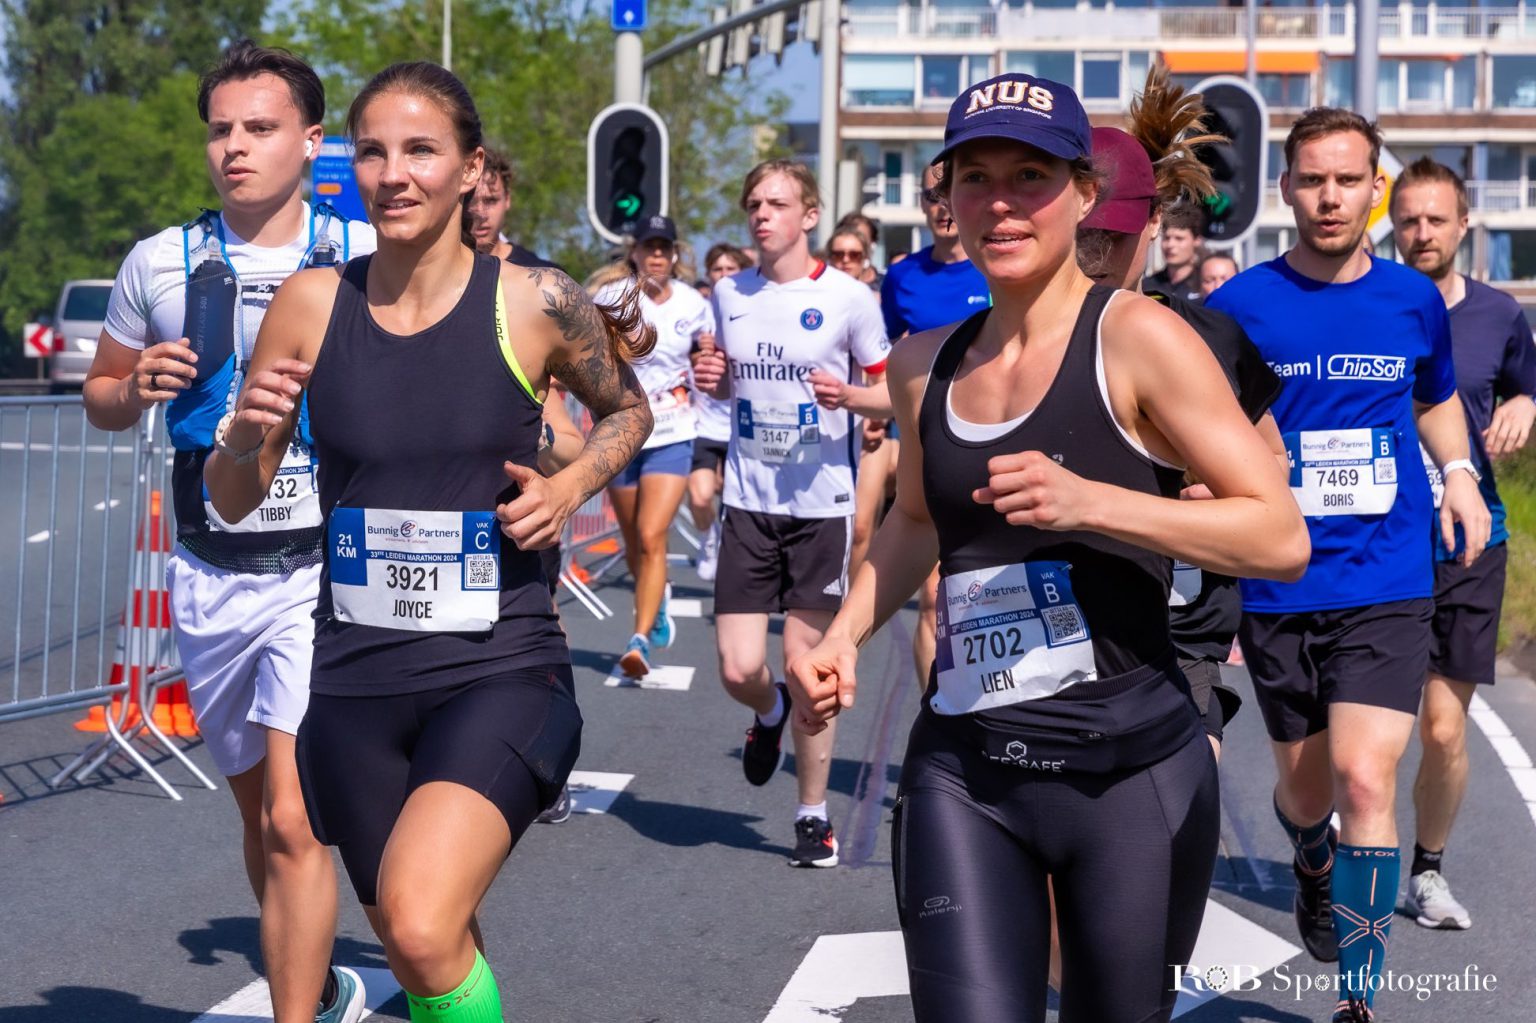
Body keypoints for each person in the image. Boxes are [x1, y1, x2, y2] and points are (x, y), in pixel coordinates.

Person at [788, 72, 1308, 1023]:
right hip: (967, 766)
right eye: (974, 176)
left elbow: (1277, 534)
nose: (1000, 201)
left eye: (1029, 176)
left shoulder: (1140, 339)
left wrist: (1097, 503)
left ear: (1079, 193)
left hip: (1128, 776)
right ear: (944, 198)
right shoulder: (922, 364)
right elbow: (914, 519)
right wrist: (844, 633)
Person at [204, 61, 653, 1021]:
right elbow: (234, 498)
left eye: (421, 151)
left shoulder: (532, 300)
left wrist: (570, 484)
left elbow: (630, 411)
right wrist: (239, 441)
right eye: (372, 151)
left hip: (499, 666)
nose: (394, 173)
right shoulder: (312, 304)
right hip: (357, 683)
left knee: (410, 919)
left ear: (468, 169)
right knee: (432, 950)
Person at [81, 41, 375, 1023]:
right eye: (221, 130)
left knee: (297, 819)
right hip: (210, 568)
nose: (235, 149)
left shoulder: (363, 255)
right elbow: (101, 398)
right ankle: (315, 972)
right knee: (259, 821)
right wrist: (135, 385)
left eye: (260, 127)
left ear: (312, 140)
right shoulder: (159, 261)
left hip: (322, 573)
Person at [1207, 109, 1490, 1023]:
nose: (1330, 197)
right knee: (1308, 791)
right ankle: (1310, 853)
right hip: (1279, 577)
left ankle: (1358, 998)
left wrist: (1459, 476)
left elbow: (1435, 399)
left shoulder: (1411, 300)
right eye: (1312, 179)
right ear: (1285, 188)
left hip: (1388, 578)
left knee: (1369, 779)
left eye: (1347, 180)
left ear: (1377, 188)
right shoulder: (1240, 305)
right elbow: (1197, 423)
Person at [692, 159, 890, 868]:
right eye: (753, 203)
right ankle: (767, 711)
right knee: (737, 666)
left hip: (820, 508)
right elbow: (720, 388)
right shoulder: (727, 293)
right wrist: (711, 380)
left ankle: (812, 812)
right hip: (749, 501)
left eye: (776, 203)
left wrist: (853, 401)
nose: (761, 214)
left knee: (809, 667)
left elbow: (888, 390)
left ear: (809, 215)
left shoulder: (848, 299)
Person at [1391, 156, 1536, 931]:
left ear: (1463, 224)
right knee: (1363, 728)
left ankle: (1427, 871)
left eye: (1435, 219)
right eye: (1409, 219)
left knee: (1444, 725)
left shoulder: (1499, 314)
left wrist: (1527, 403)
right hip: (1377, 545)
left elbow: (1527, 380)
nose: (1422, 233)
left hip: (1471, 545)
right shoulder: (1374, 306)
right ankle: (1339, 836)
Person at [874, 163, 995, 684]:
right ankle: (936, 716)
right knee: (933, 599)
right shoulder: (902, 276)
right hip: (926, 436)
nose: (943, 207)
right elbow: (880, 355)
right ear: (923, 206)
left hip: (994, 435)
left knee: (984, 594)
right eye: (932, 197)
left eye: (951, 193)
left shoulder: (996, 268)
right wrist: (876, 412)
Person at [594, 215, 715, 677]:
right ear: (635, 253)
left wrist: (708, 365)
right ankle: (655, 596)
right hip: (622, 431)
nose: (658, 256)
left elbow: (706, 356)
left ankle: (639, 639)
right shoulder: (609, 299)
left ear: (676, 254)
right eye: (650, 247)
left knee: (650, 535)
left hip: (674, 431)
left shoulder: (692, 304)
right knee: (631, 541)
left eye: (666, 247)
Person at [689, 247, 752, 581]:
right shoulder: (697, 311)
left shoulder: (752, 309)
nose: (724, 274)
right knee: (699, 496)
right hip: (703, 424)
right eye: (717, 268)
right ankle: (708, 538)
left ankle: (735, 565)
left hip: (740, 427)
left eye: (731, 268)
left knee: (733, 504)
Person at [464, 145, 561, 270]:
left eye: (491, 200)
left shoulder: (543, 275)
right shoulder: (434, 274)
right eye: (470, 200)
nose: (481, 214)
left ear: (507, 199)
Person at [1142, 203, 1204, 302]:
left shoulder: (1206, 283)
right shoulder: (1148, 286)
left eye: (1179, 238)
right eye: (1166, 238)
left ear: (1197, 241)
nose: (1170, 245)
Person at [826, 227, 881, 292]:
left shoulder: (877, 297)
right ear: (830, 257)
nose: (845, 260)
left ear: (865, 257)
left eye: (854, 255)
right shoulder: (817, 295)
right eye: (839, 255)